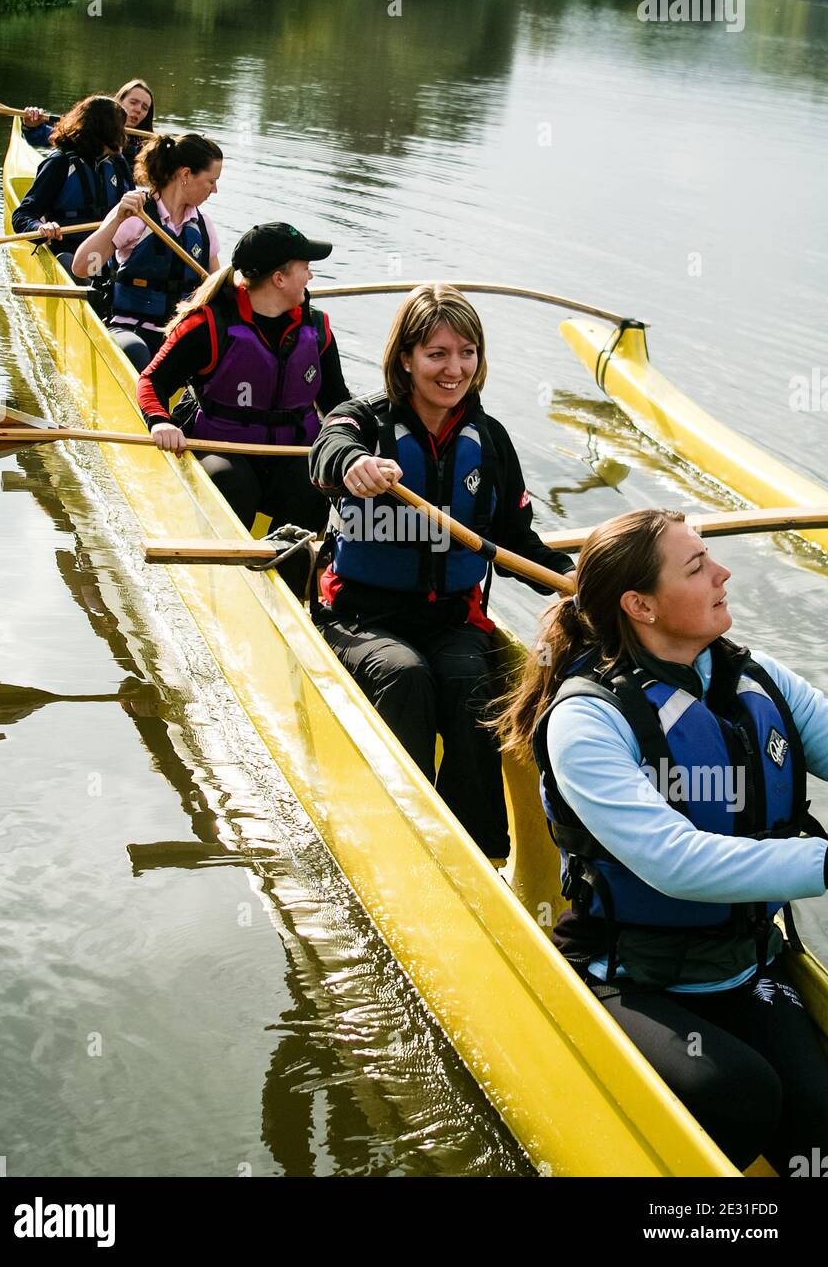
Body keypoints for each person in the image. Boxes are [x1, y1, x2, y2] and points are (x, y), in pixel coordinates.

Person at [497, 506, 828, 1173]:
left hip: (747, 966)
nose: (724, 573)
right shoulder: (588, 720)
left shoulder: (756, 678)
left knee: (821, 1130)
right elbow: (676, 864)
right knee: (737, 1093)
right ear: (640, 605)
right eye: (699, 566)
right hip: (631, 976)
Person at [308, 283, 575, 862]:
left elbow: (512, 538)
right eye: (437, 354)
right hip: (360, 614)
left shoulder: (491, 441)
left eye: (467, 353)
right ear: (406, 358)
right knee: (406, 678)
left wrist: (570, 578)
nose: (454, 369)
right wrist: (351, 465)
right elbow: (327, 449)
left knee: (470, 684)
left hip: (451, 616)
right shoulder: (363, 422)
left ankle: (480, 853)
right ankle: (399, 835)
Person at [137, 222, 349, 594]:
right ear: (279, 278)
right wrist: (159, 422)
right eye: (305, 266)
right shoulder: (206, 325)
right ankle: (219, 585)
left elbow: (336, 401)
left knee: (315, 484)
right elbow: (151, 382)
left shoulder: (317, 328)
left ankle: (289, 591)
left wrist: (358, 447)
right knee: (232, 482)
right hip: (227, 451)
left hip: (289, 452)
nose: (311, 275)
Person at [71, 132, 222, 373]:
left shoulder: (203, 226)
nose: (215, 190)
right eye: (211, 181)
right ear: (185, 175)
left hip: (177, 334)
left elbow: (217, 288)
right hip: (130, 330)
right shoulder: (137, 214)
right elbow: (82, 268)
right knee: (137, 351)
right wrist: (116, 220)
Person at [11, 94, 132, 278]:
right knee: (78, 269)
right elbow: (22, 216)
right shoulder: (60, 163)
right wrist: (40, 228)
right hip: (68, 253)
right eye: (120, 128)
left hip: (105, 254)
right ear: (105, 130)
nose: (124, 135)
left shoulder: (117, 164)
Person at [22, 79, 155, 170]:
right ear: (119, 101)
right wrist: (32, 125)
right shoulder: (90, 129)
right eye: (133, 102)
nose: (138, 109)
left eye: (144, 107)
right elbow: (43, 137)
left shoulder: (146, 148)